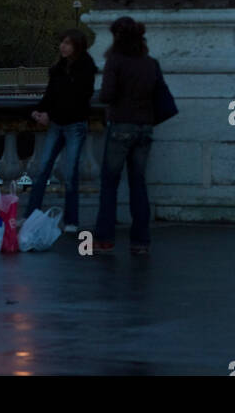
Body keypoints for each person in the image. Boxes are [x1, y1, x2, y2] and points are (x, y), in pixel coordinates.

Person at [94, 16, 159, 255]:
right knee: (138, 184)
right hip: (145, 127)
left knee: (110, 184)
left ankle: (104, 238)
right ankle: (141, 241)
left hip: (121, 125)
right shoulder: (150, 63)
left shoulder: (115, 61)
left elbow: (107, 95)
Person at [25, 30, 97, 233]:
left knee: (70, 174)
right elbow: (51, 94)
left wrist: (49, 113)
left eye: (67, 43)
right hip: (58, 124)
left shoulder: (86, 68)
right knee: (42, 171)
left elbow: (76, 98)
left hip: (74, 125)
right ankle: (31, 215)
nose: (62, 46)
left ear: (77, 46)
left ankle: (71, 220)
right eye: (62, 42)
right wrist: (38, 111)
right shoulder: (58, 68)